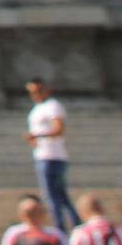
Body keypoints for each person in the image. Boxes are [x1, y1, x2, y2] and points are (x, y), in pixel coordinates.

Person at [22, 79, 75, 231]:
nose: (35, 95)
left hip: (53, 156)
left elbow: (58, 129)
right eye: (32, 92)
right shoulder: (36, 109)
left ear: (46, 90)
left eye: (38, 91)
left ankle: (60, 228)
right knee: (60, 196)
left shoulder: (53, 106)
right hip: (42, 155)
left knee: (52, 197)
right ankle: (74, 224)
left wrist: (37, 136)